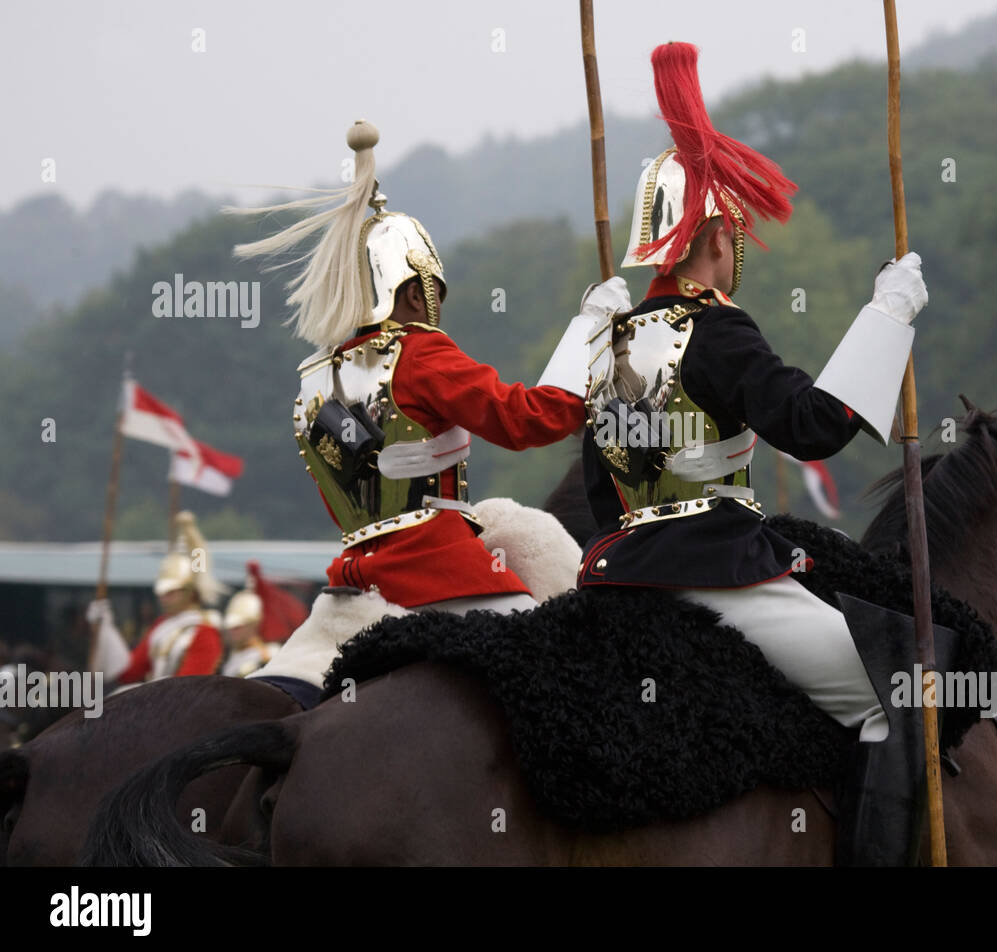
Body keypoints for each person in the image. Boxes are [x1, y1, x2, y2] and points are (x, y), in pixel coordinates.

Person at [571, 42, 927, 864]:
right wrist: (887, 319)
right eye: (736, 234)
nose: (740, 252)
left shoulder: (607, 342)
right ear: (714, 236)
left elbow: (601, 491)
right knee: (896, 693)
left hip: (621, 580)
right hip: (720, 577)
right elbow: (811, 424)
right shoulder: (717, 325)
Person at [231, 120, 627, 613]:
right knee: (557, 655)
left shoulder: (315, 382)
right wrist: (590, 331)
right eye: (436, 294)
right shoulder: (419, 355)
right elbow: (526, 419)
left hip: (352, 580)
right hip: (438, 576)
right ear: (415, 292)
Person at [87, 511, 225, 686]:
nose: (163, 598)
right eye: (162, 593)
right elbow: (129, 672)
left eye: (171, 593)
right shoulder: (162, 626)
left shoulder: (204, 631)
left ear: (190, 592)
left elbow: (191, 687)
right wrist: (106, 627)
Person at [220, 576, 279, 678]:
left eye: (238, 627)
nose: (232, 632)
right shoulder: (227, 655)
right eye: (230, 628)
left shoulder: (264, 658)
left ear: (253, 625)